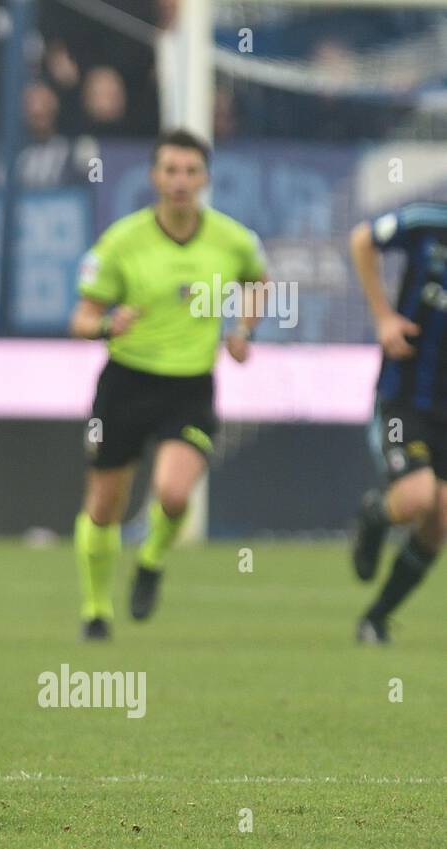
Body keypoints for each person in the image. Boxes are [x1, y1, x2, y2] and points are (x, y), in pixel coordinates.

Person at [69, 129, 267, 640]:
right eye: (171, 171)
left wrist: (244, 331)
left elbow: (259, 281)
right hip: (126, 384)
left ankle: (152, 559)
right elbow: (82, 319)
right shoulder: (122, 241)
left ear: (205, 179)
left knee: (174, 493)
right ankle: (96, 611)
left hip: (190, 387)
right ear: (154, 177)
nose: (180, 181)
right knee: (104, 506)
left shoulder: (232, 240)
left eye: (191, 171)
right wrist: (111, 324)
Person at [349, 202, 447, 643]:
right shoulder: (430, 224)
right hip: (406, 399)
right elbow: (362, 239)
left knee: (440, 520)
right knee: (416, 498)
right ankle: (375, 515)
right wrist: (383, 316)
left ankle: (375, 619)